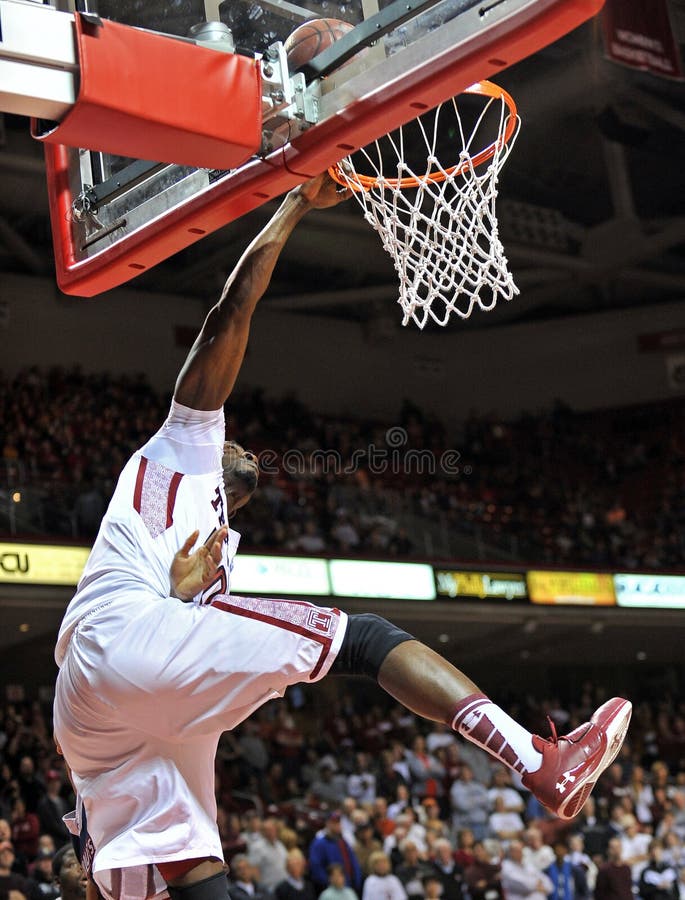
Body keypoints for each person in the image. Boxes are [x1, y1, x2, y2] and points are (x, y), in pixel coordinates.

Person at [53, 172, 632, 900]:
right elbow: (231, 310)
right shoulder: (180, 446)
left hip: (95, 718)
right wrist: (295, 203)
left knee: (194, 865)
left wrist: (176, 598)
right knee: (362, 639)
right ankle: (540, 762)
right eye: (237, 445)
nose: (242, 445)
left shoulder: (202, 541)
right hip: (115, 653)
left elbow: (158, 646)